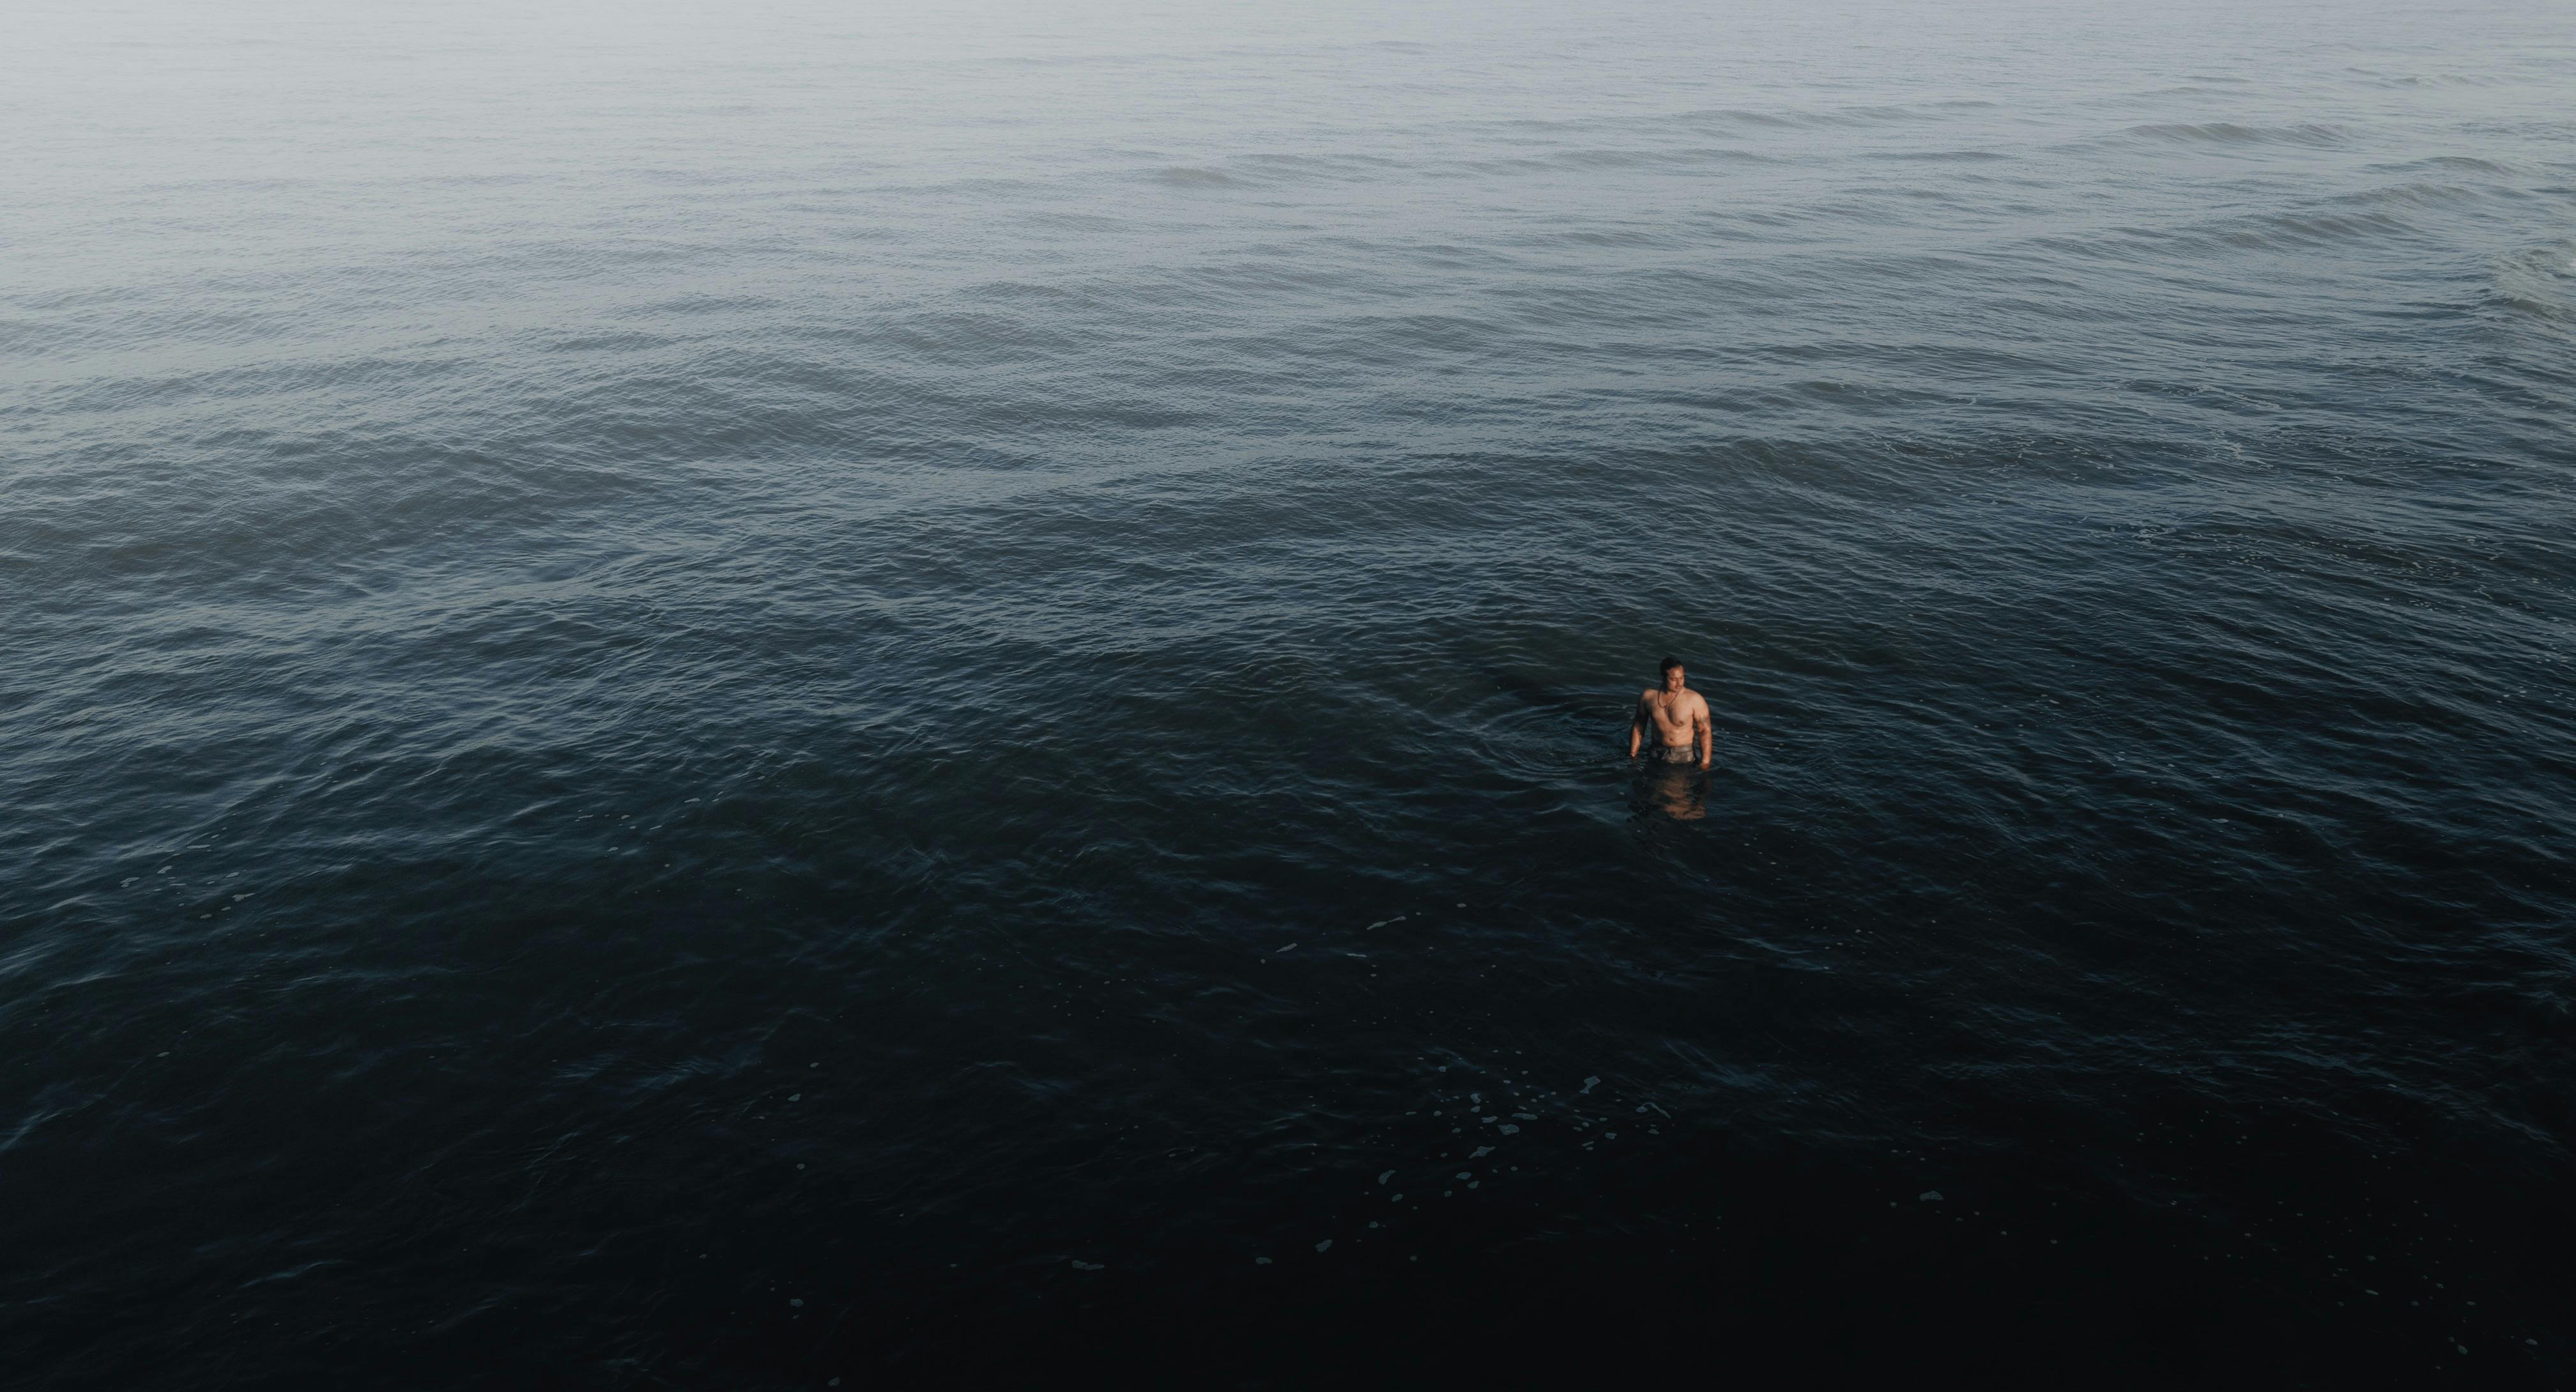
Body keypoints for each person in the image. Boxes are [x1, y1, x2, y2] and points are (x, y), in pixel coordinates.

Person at [1628, 656, 1711, 771]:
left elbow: (1704, 731)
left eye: (1682, 678)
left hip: (1683, 757)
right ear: (1663, 677)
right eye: (1674, 679)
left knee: (1673, 789)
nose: (1679, 683)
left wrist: (1705, 762)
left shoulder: (1694, 700)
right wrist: (1633, 754)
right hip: (1655, 753)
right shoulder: (1648, 697)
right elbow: (1639, 726)